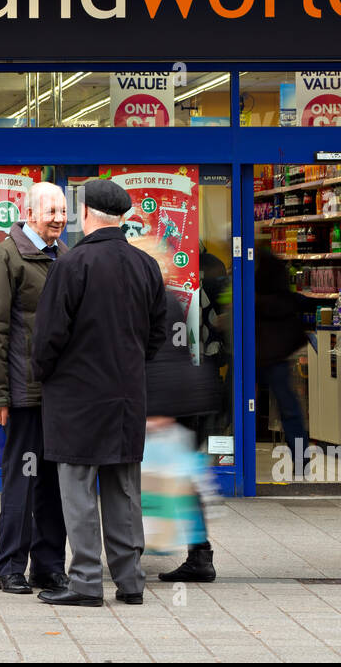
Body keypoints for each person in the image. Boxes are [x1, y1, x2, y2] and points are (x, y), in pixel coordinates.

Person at [32, 179, 166, 607]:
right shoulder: (145, 265)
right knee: (124, 489)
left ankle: (87, 581)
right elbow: (159, 333)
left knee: (78, 491)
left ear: (85, 213)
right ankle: (131, 581)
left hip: (75, 399)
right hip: (126, 396)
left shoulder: (72, 265)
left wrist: (44, 373)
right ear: (122, 217)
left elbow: (48, 336)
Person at [0, 180, 70, 595]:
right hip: (23, 392)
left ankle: (49, 566)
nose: (59, 218)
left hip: (60, 393)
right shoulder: (7, 255)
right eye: (51, 211)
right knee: (23, 477)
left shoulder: (64, 256)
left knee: (53, 481)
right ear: (30, 213)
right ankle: (11, 566)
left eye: (63, 210)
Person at [149, 289, 223, 583]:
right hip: (186, 394)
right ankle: (199, 555)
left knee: (168, 477)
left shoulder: (145, 297)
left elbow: (157, 353)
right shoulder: (167, 297)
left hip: (165, 400)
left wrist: (154, 410)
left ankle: (196, 555)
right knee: (182, 477)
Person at [254, 248, 310, 477]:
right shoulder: (284, 295)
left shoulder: (256, 291)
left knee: (242, 407)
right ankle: (301, 459)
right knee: (289, 409)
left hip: (261, 354)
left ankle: (235, 455)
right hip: (275, 355)